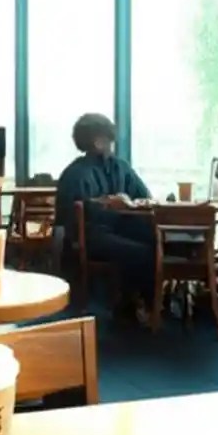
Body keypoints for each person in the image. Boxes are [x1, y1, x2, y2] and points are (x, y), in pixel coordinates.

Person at [55, 113, 156, 318]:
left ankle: (146, 303)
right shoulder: (75, 173)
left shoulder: (121, 167)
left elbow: (145, 197)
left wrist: (130, 203)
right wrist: (108, 204)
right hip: (92, 235)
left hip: (119, 229)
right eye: (107, 138)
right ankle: (135, 305)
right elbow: (70, 216)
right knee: (141, 252)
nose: (110, 143)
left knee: (155, 240)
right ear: (98, 140)